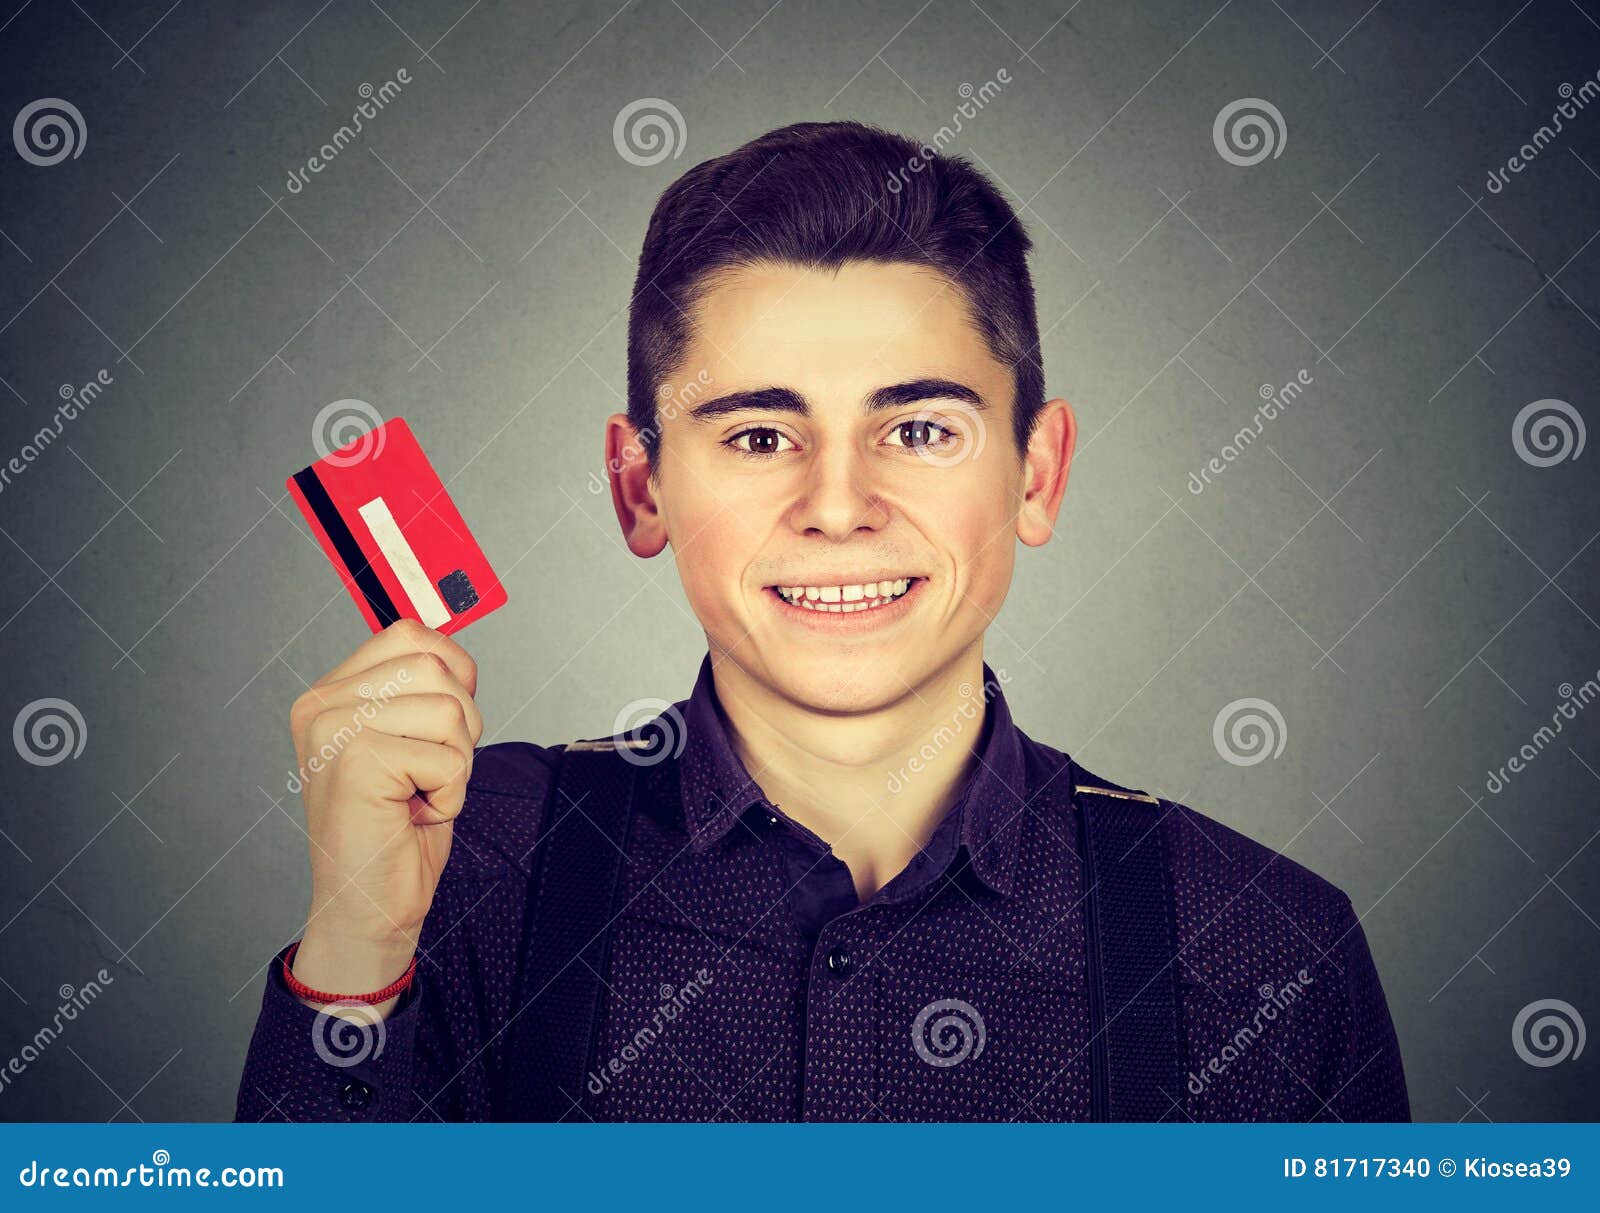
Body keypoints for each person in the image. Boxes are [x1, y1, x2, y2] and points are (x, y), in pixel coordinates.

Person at [234, 120, 1409, 1122]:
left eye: (917, 429)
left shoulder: (1264, 954)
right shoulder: (464, 865)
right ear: (640, 487)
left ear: (1036, 474)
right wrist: (358, 955)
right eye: (757, 435)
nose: (838, 506)